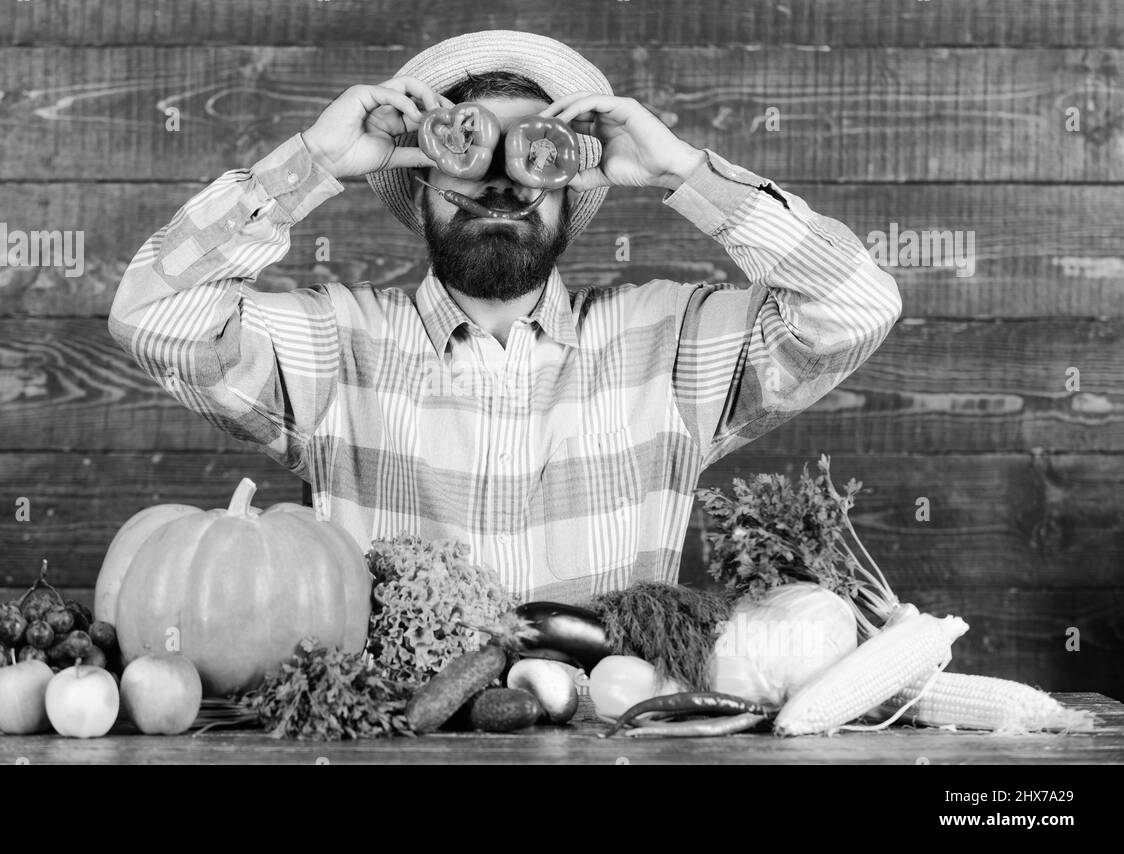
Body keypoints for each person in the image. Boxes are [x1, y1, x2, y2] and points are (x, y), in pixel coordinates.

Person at [108, 30, 902, 603]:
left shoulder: (669, 343)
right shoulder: (333, 343)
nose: (500, 183)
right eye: (464, 151)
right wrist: (308, 165)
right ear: (419, 180)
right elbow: (154, 312)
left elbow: (855, 305)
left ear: (567, 186)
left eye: (533, 154)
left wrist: (681, 171)